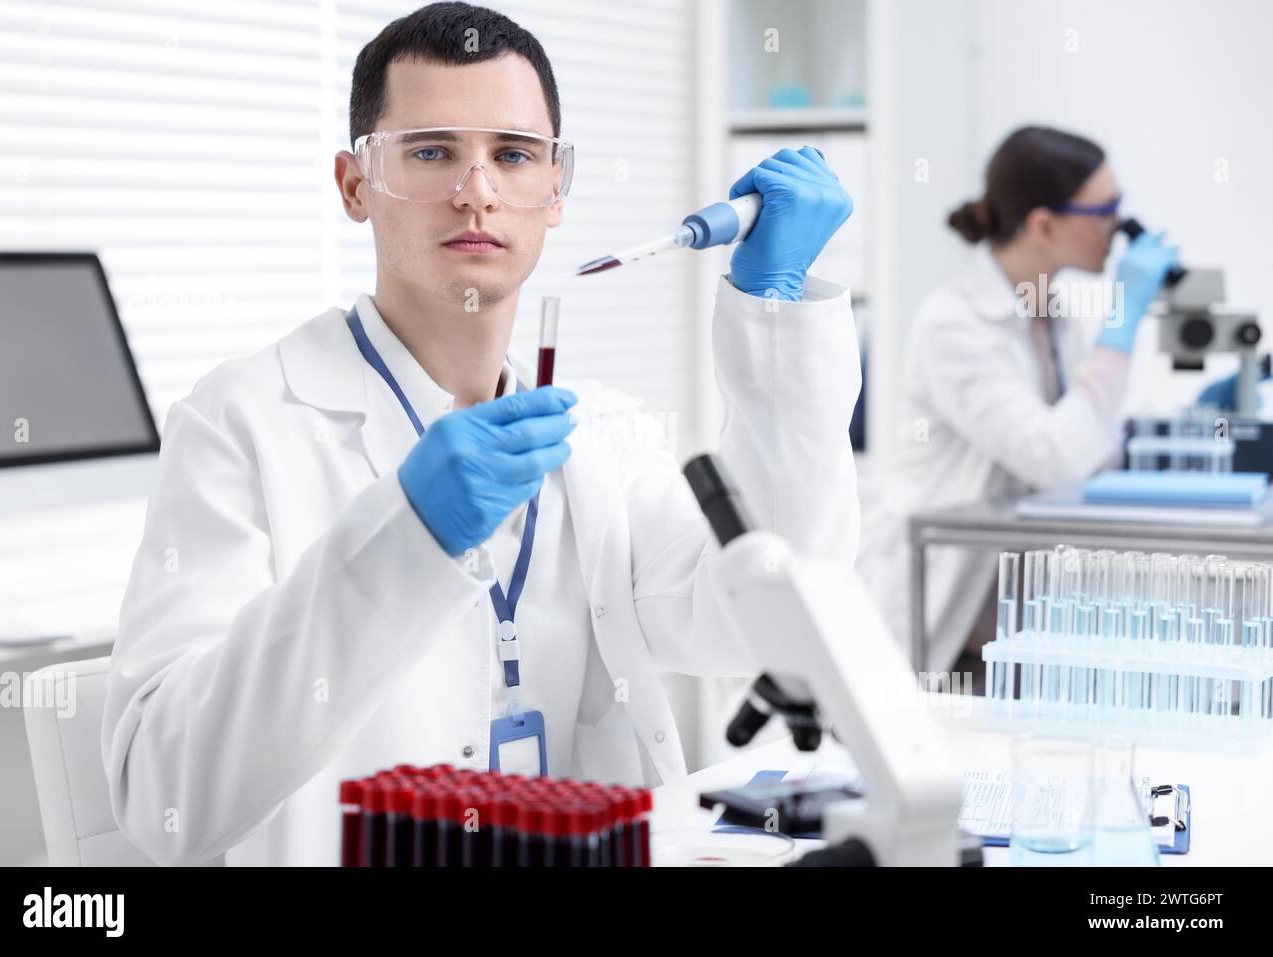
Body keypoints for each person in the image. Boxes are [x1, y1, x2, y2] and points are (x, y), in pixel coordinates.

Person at [100, 2, 861, 865]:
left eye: (512, 154)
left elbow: (769, 614)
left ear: (555, 192)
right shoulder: (245, 421)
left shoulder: (598, 434)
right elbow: (163, 794)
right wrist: (401, 538)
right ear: (355, 185)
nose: (477, 189)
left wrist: (776, 314)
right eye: (431, 152)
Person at [857, 126, 1179, 678]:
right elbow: (1052, 456)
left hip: (1013, 630)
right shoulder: (954, 325)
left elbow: (1089, 449)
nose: (1118, 228)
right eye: (1106, 210)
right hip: (938, 627)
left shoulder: (1053, 317)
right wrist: (1121, 322)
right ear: (1044, 225)